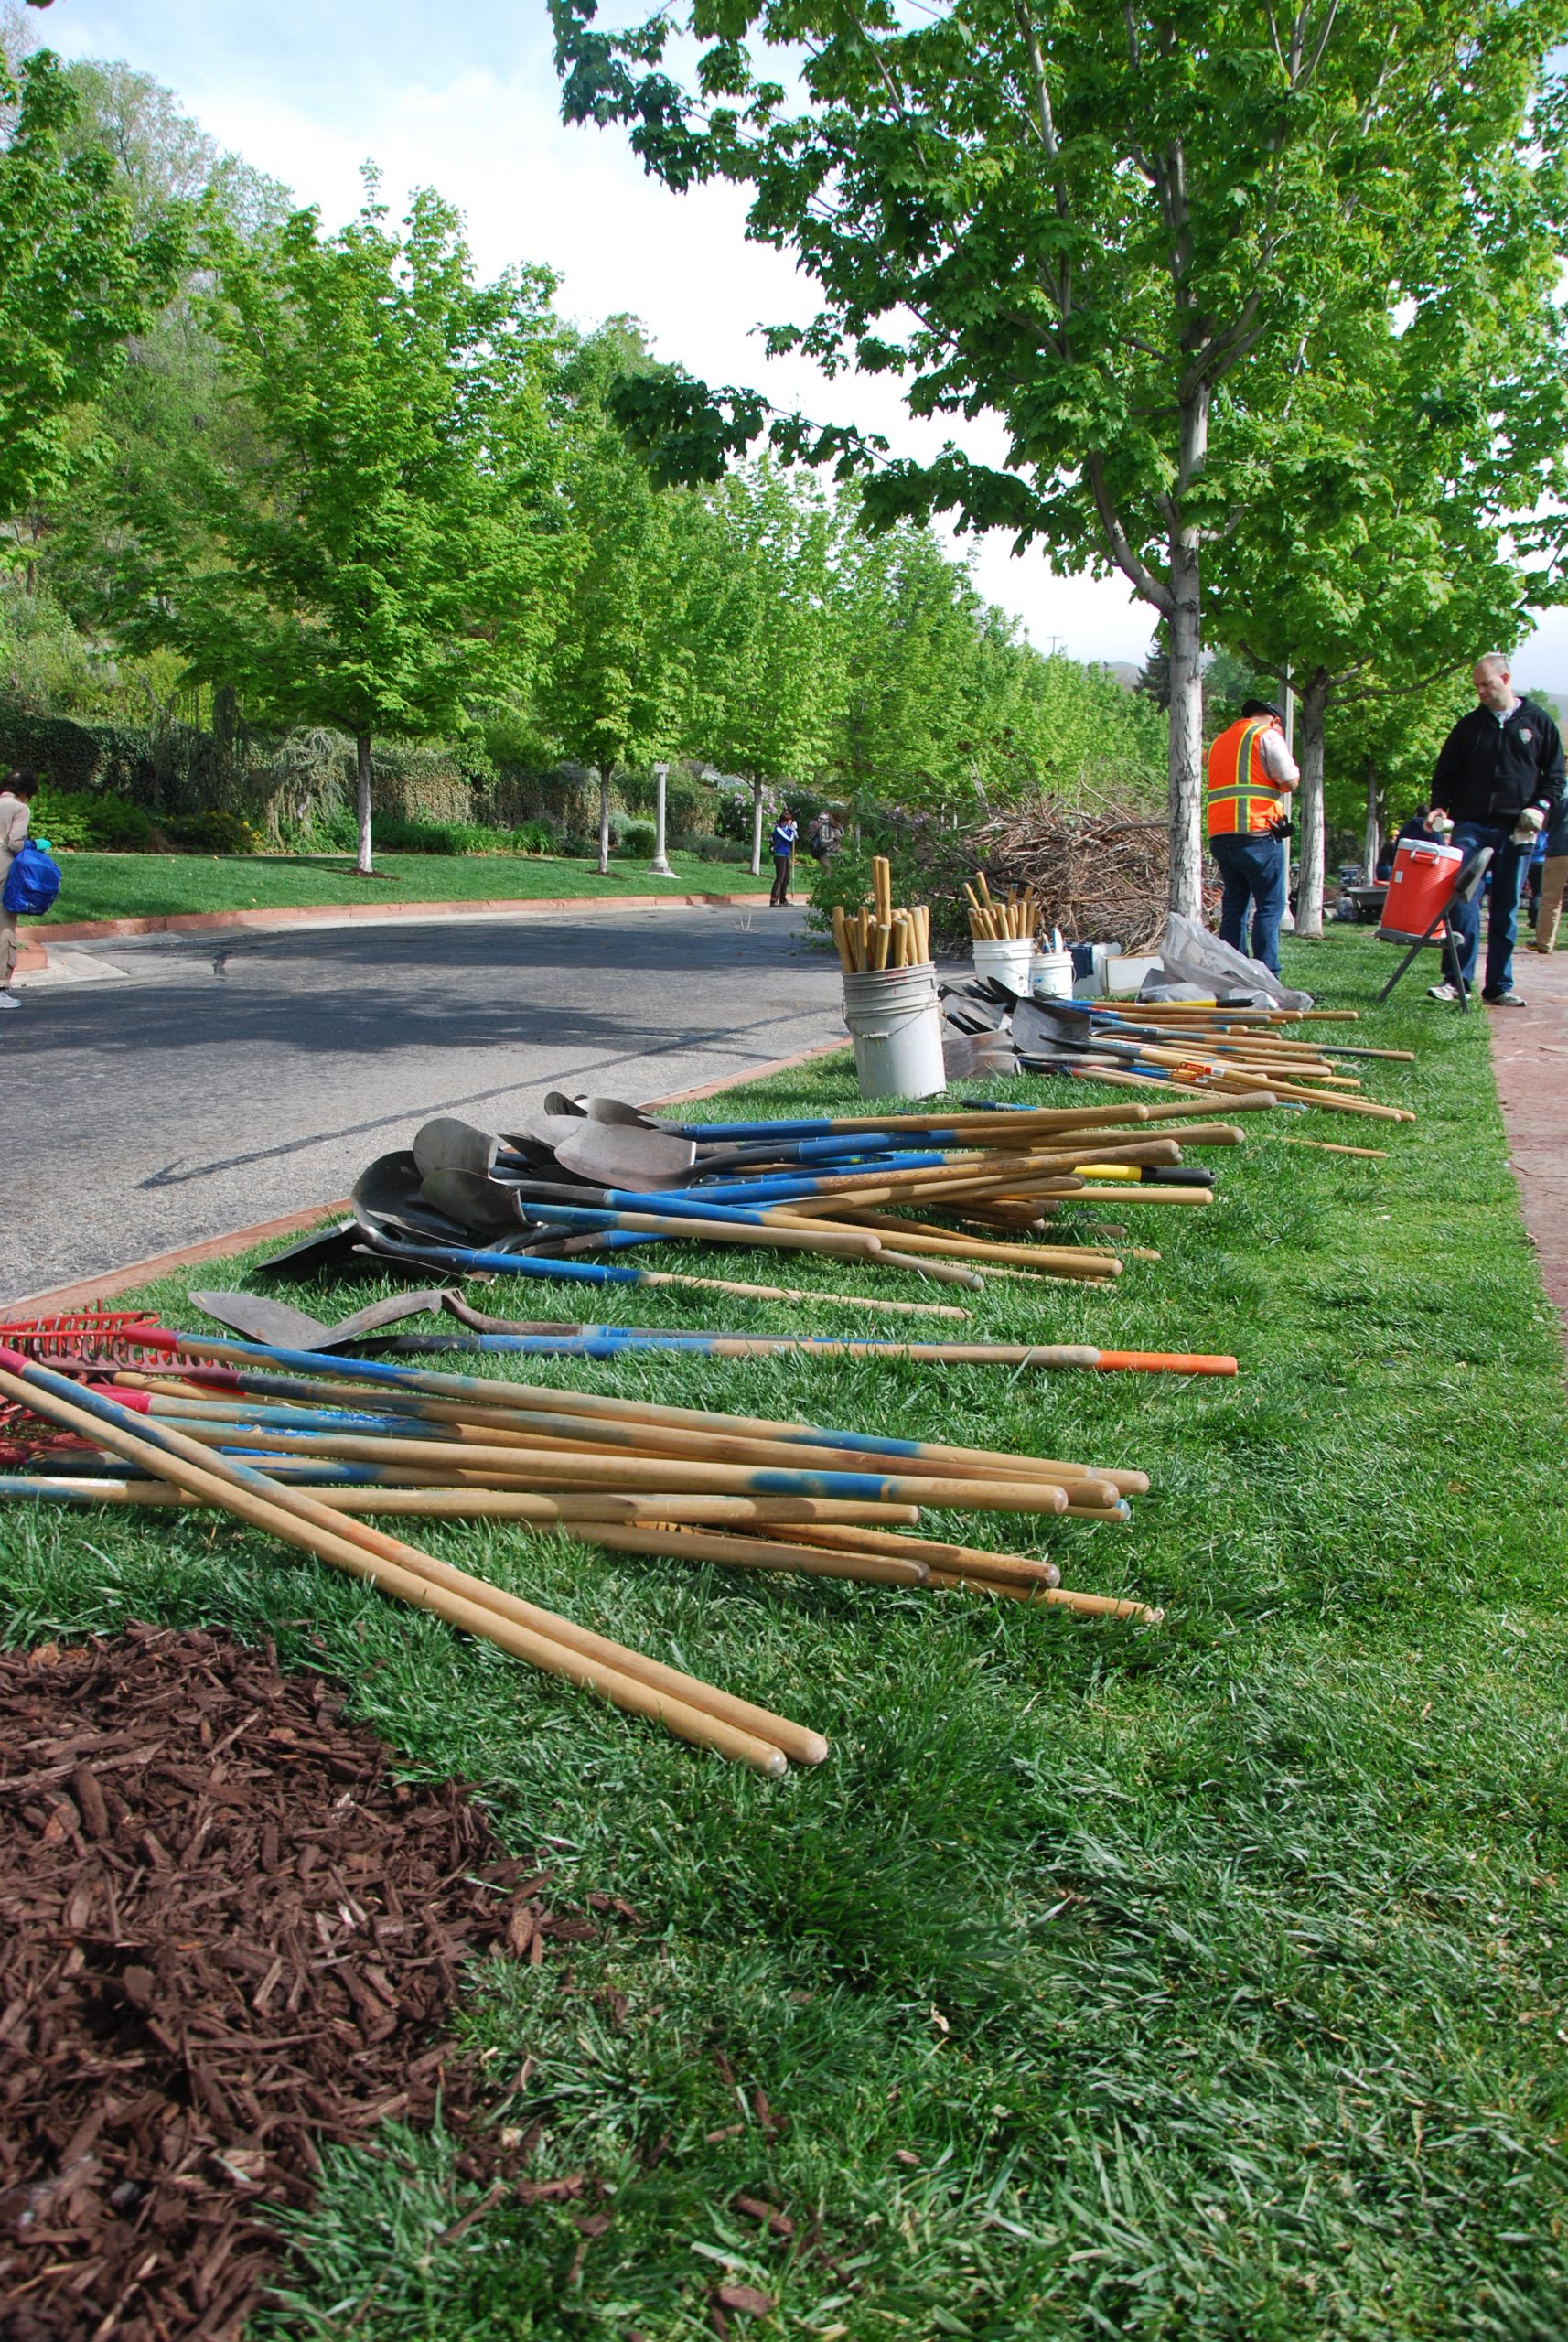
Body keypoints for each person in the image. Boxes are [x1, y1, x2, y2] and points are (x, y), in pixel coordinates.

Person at [1427, 652, 1565, 1005]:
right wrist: (1440, 807)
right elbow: (1445, 775)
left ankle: (1499, 986)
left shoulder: (1539, 723)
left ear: (1505, 679)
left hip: (1517, 828)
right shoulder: (1469, 727)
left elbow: (1555, 776)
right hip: (1472, 825)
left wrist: (1539, 808)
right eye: (1477, 687)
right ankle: (1456, 981)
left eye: (1486, 684)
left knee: (1505, 906)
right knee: (1462, 898)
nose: (1481, 692)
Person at [1204, 697, 1300, 974]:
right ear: (1276, 720)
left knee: (1234, 906)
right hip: (1257, 833)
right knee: (1270, 906)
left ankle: (1233, 974)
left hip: (1222, 835)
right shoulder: (1266, 735)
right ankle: (1267, 975)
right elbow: (1289, 780)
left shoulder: (1219, 742)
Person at [0, 767, 41, 1010]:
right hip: (4, 871)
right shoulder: (20, 808)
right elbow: (15, 844)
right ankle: (1, 986)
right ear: (26, 791)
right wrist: (36, 844)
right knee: (4, 925)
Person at [1530, 787, 1568, 954]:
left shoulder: (1557, 792)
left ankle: (1545, 943)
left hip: (1558, 850)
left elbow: (1542, 823)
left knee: (1551, 900)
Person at [768, 808, 799, 905]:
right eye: (789, 820)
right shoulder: (778, 830)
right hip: (779, 855)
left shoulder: (787, 829)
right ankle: (773, 899)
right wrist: (792, 830)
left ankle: (783, 899)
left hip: (785, 855)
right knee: (780, 878)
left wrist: (793, 830)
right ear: (785, 821)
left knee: (786, 878)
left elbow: (795, 837)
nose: (790, 822)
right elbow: (789, 838)